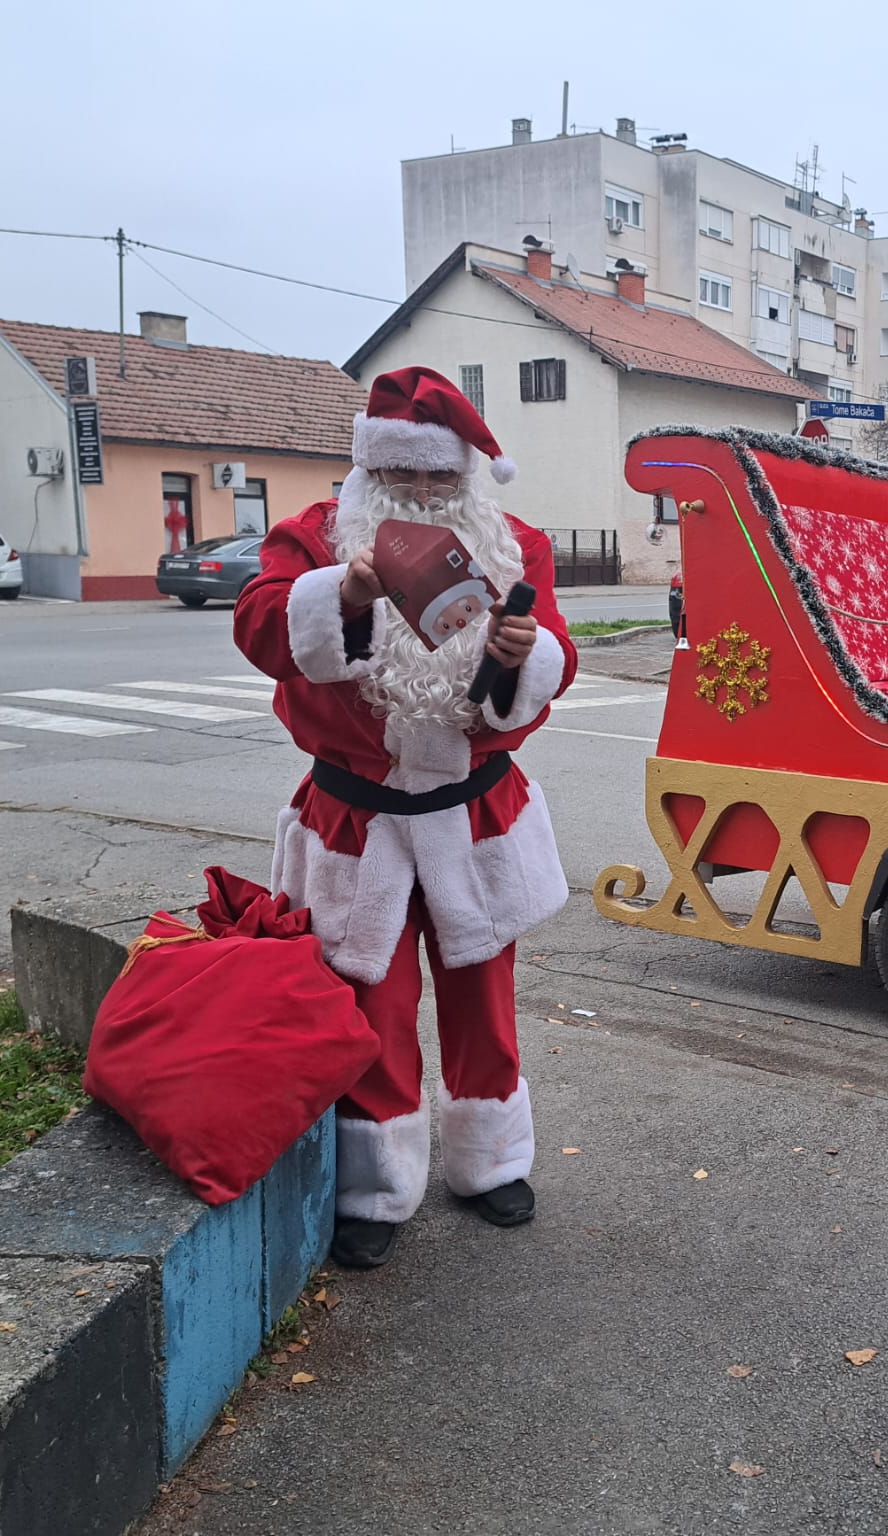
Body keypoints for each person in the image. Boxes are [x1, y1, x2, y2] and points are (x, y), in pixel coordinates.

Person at [234, 365, 575, 1269]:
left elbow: (555, 665)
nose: (422, 497)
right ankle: (375, 1185)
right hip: (360, 817)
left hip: (474, 812)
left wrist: (524, 655)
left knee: (483, 998)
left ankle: (491, 1158)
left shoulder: (516, 546)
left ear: (464, 479)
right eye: (400, 480)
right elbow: (261, 627)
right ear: (367, 475)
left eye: (439, 480)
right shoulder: (310, 538)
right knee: (371, 1001)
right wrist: (340, 597)